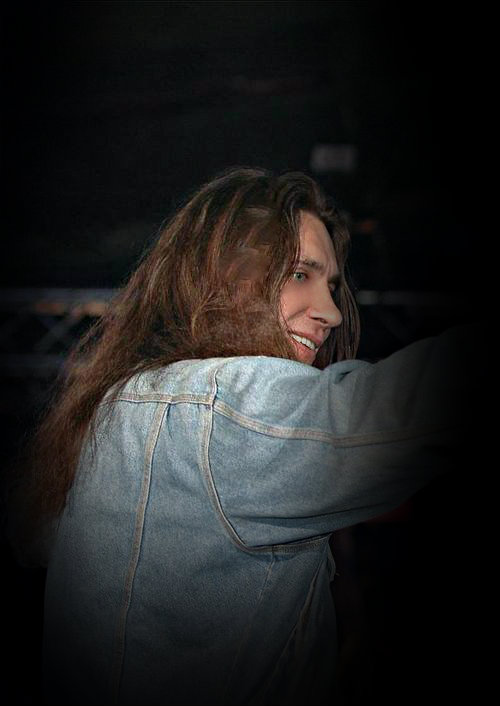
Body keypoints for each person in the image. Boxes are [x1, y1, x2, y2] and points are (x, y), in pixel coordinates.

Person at [8, 166, 474, 705]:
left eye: (331, 286)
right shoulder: (220, 407)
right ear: (225, 275)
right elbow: (420, 403)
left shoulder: (122, 405)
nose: (329, 312)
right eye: (299, 274)